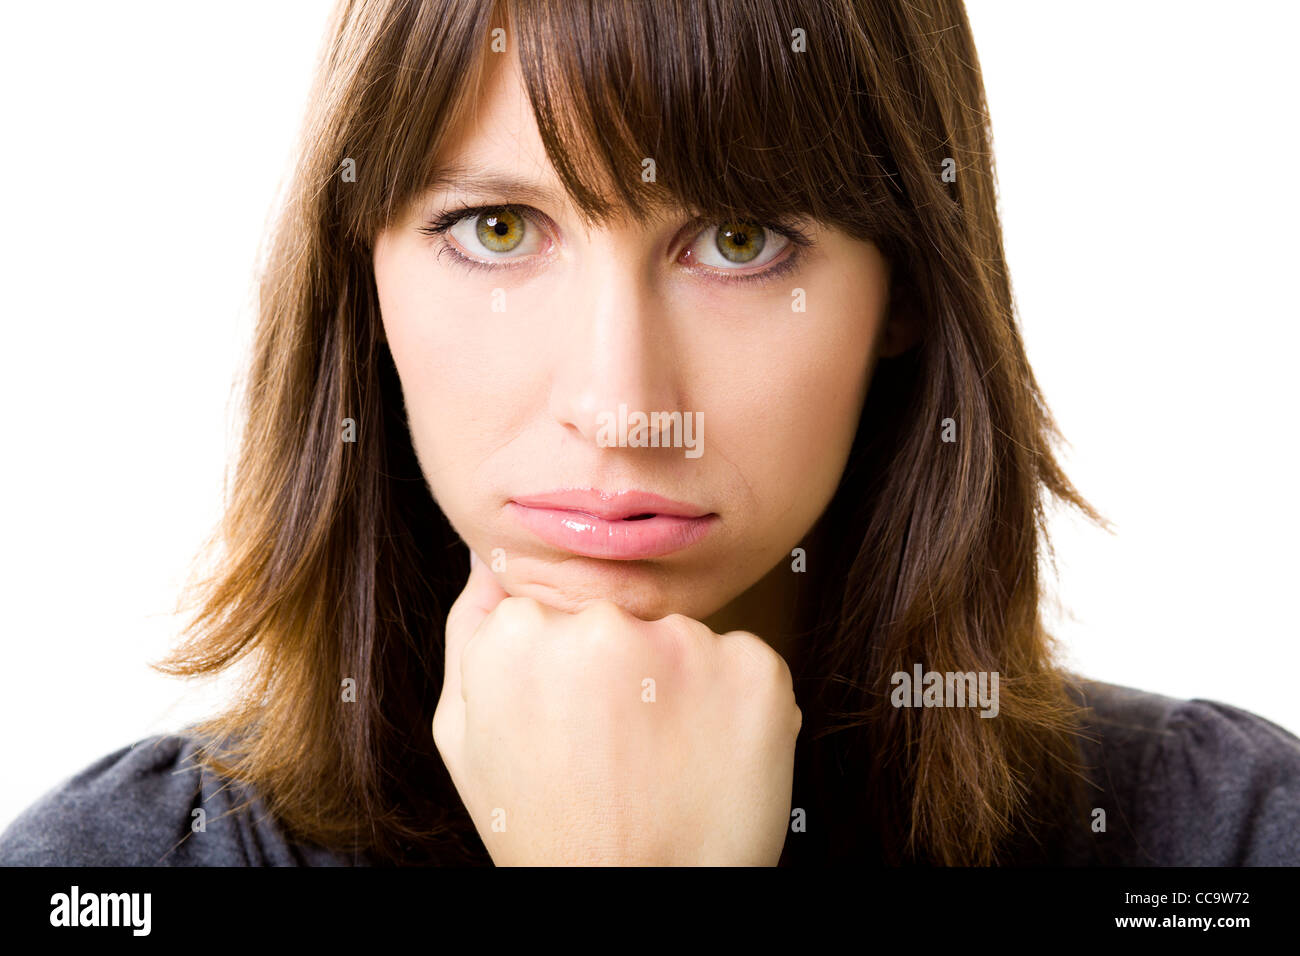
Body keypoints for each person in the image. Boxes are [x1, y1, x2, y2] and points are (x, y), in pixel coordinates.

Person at [4, 0, 1299, 867]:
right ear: (365, 278)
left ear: (904, 287)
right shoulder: (118, 865)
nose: (620, 404)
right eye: (497, 230)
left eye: (738, 241)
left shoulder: (1218, 842)